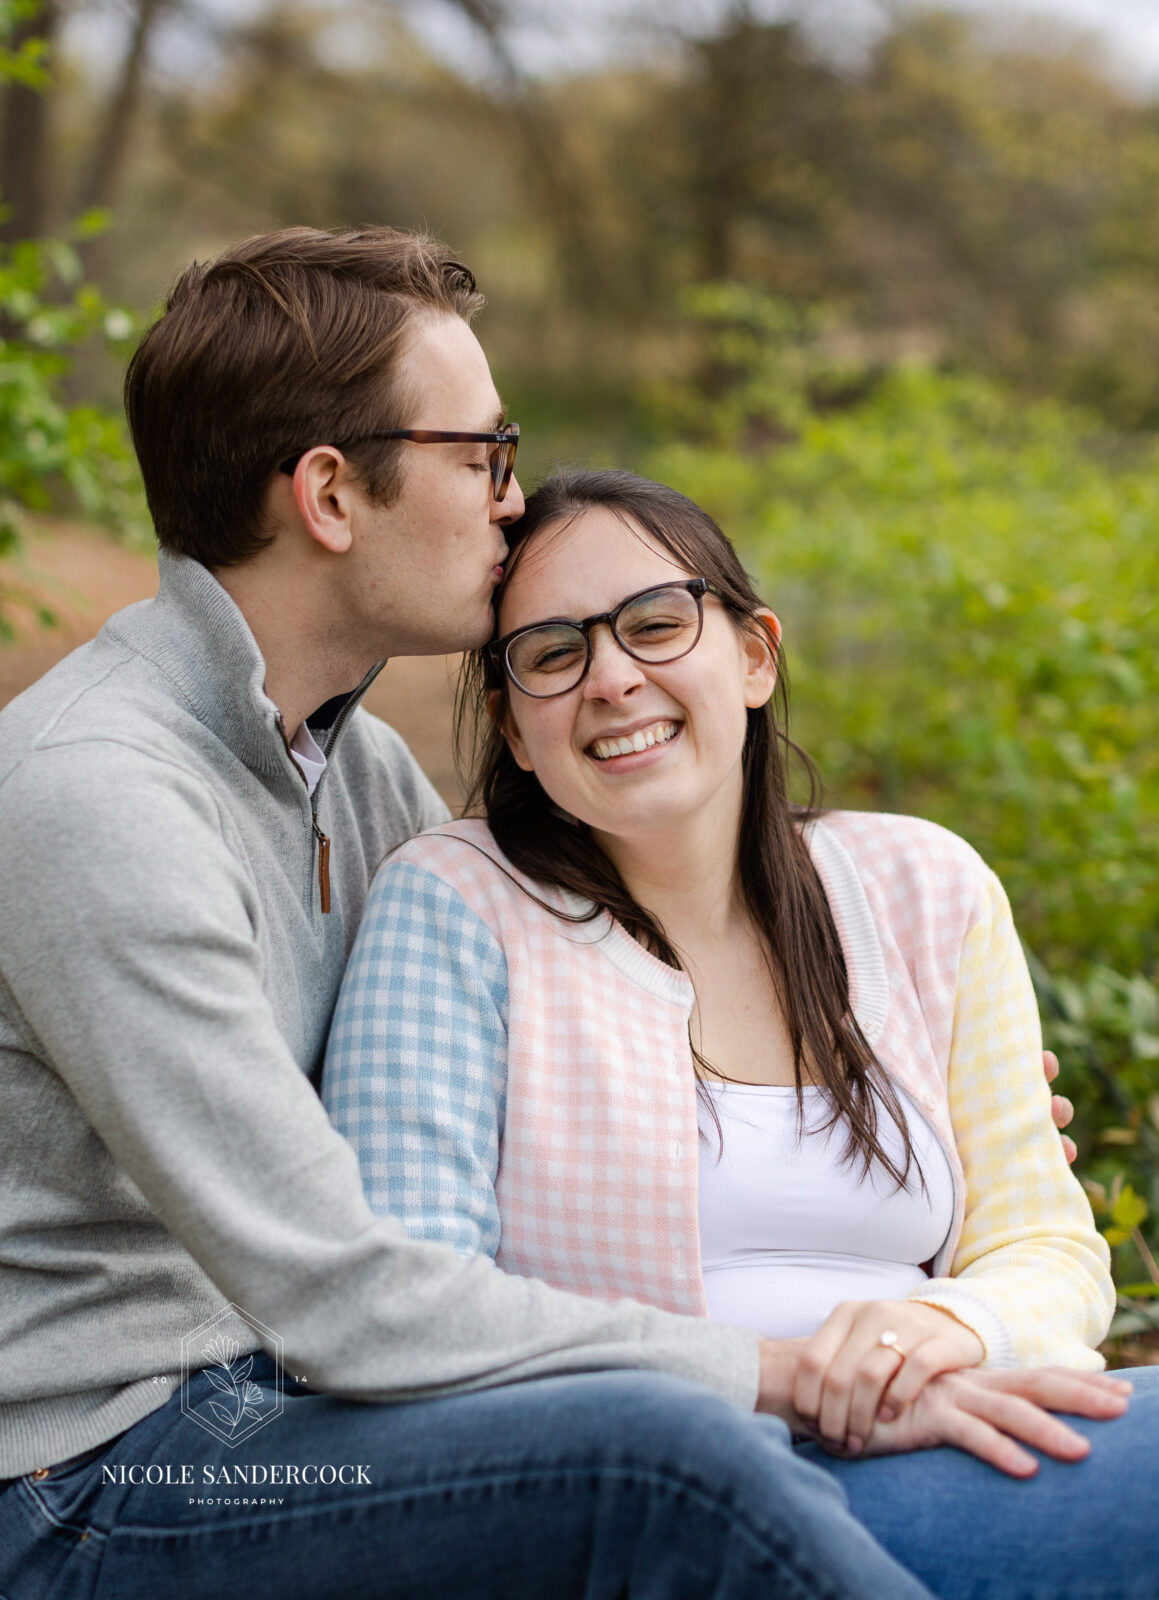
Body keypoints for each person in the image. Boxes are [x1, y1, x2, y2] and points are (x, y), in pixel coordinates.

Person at [0, 222, 995, 1600]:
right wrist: (771, 1374)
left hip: (281, 1403)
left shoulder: (353, 769)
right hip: (109, 1474)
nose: (513, 505)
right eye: (484, 459)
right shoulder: (99, 802)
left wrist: (899, 1083)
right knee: (661, 1459)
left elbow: (541, 1007)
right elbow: (342, 1290)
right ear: (332, 495)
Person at [322, 466, 1159, 1598]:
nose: (612, 678)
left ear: (754, 655)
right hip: (669, 1495)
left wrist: (939, 1336)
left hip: (947, 1417)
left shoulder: (925, 887)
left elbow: (1051, 1247)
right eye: (553, 653)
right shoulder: (455, 905)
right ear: (516, 730)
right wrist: (800, 1382)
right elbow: (415, 1300)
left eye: (656, 623)